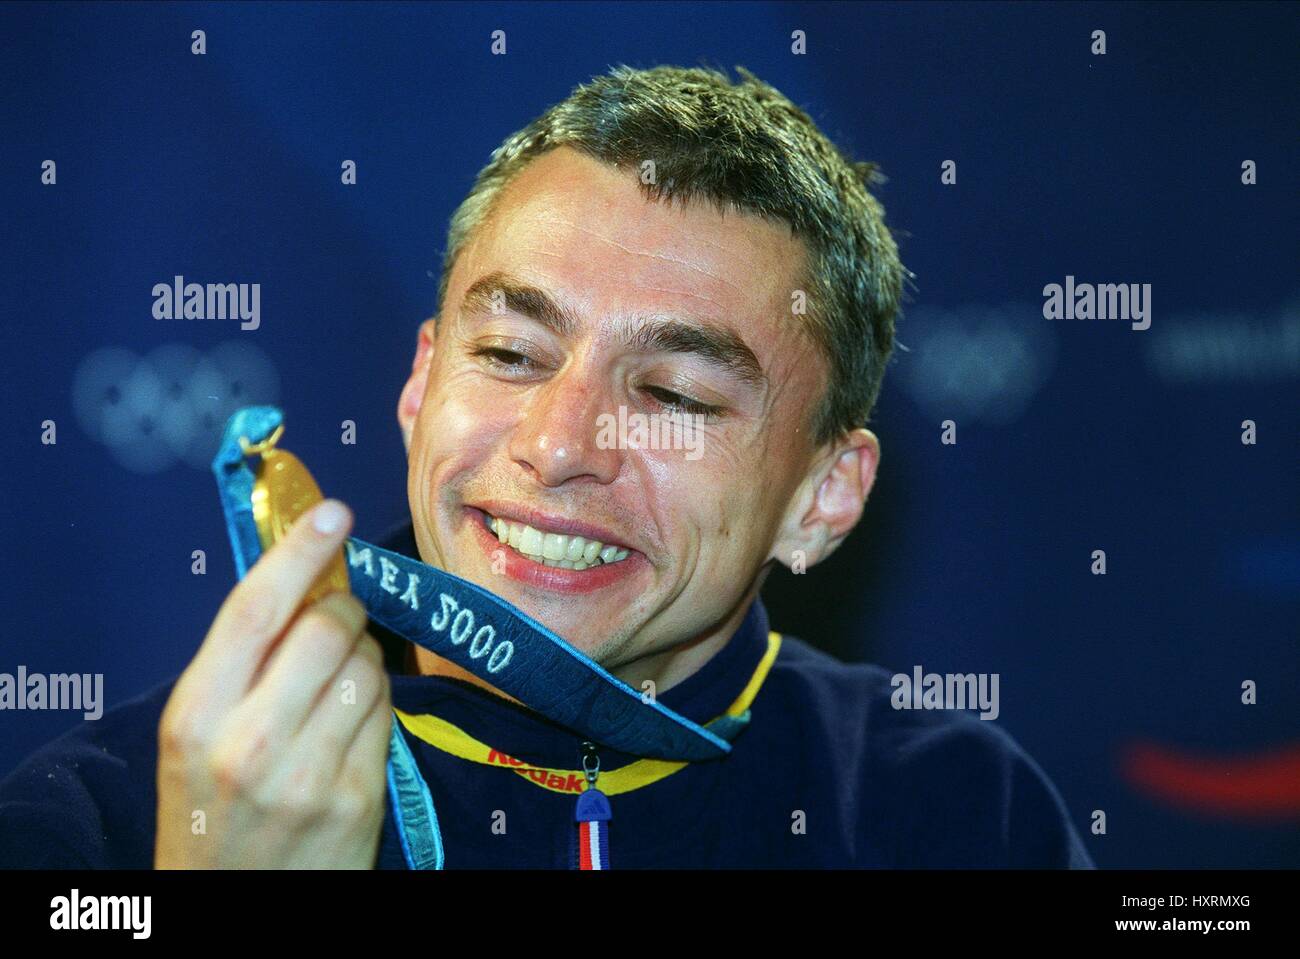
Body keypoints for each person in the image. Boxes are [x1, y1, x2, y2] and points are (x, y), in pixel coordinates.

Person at [0, 64, 1092, 869]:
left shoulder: (966, 818)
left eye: (674, 395)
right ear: (421, 384)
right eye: (511, 355)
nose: (559, 445)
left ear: (822, 498)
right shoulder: (103, 823)